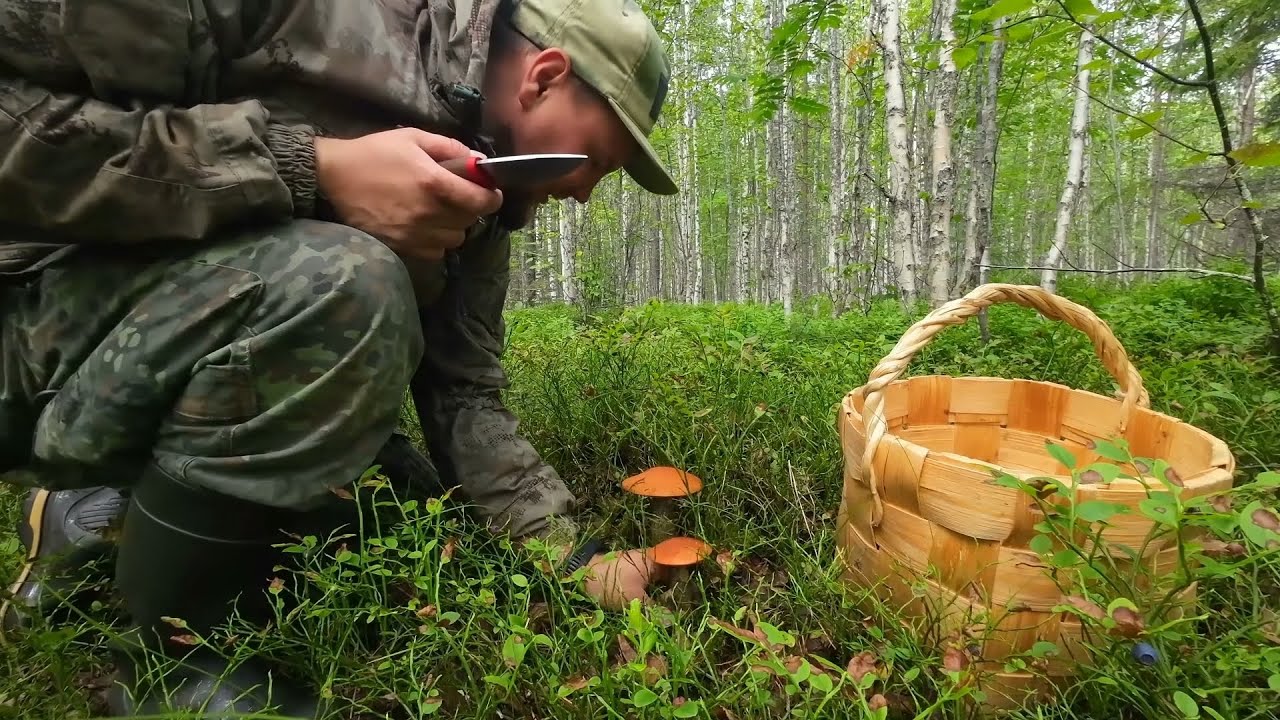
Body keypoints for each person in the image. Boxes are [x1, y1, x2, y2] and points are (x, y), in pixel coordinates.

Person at [0, 0, 679, 715]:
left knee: (412, 522)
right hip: (27, 317)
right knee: (346, 281)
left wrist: (571, 560)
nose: (582, 193)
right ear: (543, 76)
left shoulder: (479, 192)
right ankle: (174, 669)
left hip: (171, 351)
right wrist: (308, 166)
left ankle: (93, 536)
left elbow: (464, 394)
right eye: (594, 162)